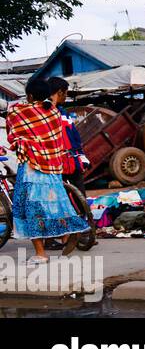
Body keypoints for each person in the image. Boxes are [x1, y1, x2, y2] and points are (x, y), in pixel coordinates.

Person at [7, 79, 90, 265]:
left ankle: (41, 253)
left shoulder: (19, 112)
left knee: (30, 210)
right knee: (56, 204)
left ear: (29, 95)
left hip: (31, 169)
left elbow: (13, 132)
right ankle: (66, 236)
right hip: (53, 169)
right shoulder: (53, 113)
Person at [47, 77, 88, 193]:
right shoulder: (44, 114)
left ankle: (83, 211)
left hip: (72, 163)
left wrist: (81, 157)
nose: (66, 96)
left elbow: (75, 138)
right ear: (60, 92)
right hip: (55, 166)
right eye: (66, 93)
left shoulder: (64, 113)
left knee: (79, 197)